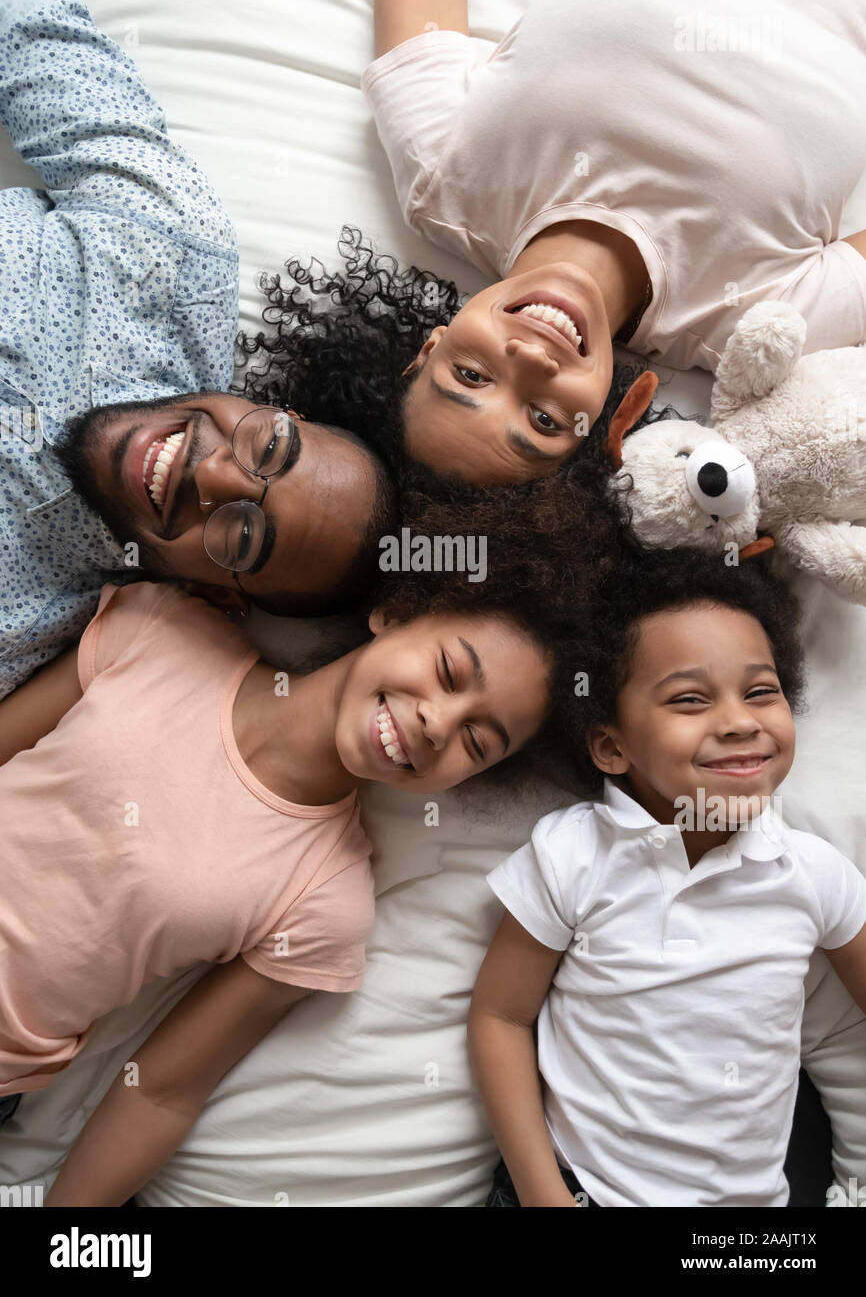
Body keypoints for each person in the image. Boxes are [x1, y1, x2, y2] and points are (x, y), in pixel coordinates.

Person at [0, 499, 588, 1203]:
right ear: (396, 612)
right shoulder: (160, 631)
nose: (439, 721)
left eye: (478, 742)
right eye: (447, 671)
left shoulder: (325, 903)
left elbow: (161, 1091)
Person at [237, 0, 866, 487]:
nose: (531, 358)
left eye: (471, 376)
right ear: (609, 423)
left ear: (429, 346)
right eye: (543, 420)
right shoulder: (758, 324)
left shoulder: (442, 173)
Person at [0, 0, 394, 700]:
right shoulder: (173, 249)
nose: (213, 476)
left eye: (243, 537)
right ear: (283, 411)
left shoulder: (19, 628)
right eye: (272, 447)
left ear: (216, 597)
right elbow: (18, 18)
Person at [468, 548, 866, 1206]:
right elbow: (499, 1018)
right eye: (690, 699)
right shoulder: (574, 855)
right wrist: (545, 1196)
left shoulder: (814, 873)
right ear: (612, 746)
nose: (739, 721)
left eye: (761, 691)